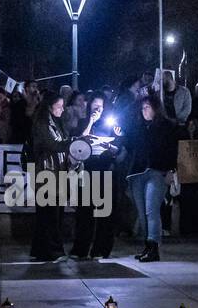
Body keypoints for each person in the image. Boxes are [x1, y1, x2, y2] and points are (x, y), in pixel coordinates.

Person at [123, 95, 176, 259]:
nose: (144, 110)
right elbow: (130, 145)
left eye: (147, 107)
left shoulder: (167, 126)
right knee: (142, 211)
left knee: (151, 209)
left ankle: (153, 246)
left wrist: (171, 170)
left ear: (155, 108)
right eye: (142, 107)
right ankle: (148, 245)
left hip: (157, 171)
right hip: (137, 172)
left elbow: (172, 150)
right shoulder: (137, 126)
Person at [70, 93, 122, 259]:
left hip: (106, 168)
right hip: (88, 169)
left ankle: (101, 248)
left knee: (105, 212)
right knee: (85, 212)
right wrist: (91, 120)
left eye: (101, 107)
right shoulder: (84, 122)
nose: (98, 110)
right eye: (95, 106)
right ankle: (81, 248)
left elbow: (120, 145)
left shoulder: (111, 124)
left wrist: (113, 147)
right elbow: (79, 141)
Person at [28, 91, 69, 261]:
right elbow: (53, 144)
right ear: (50, 107)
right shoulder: (43, 123)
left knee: (48, 214)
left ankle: (40, 249)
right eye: (59, 106)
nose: (62, 110)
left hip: (55, 171)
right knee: (51, 214)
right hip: (47, 172)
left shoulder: (55, 123)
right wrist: (72, 142)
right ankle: (54, 251)